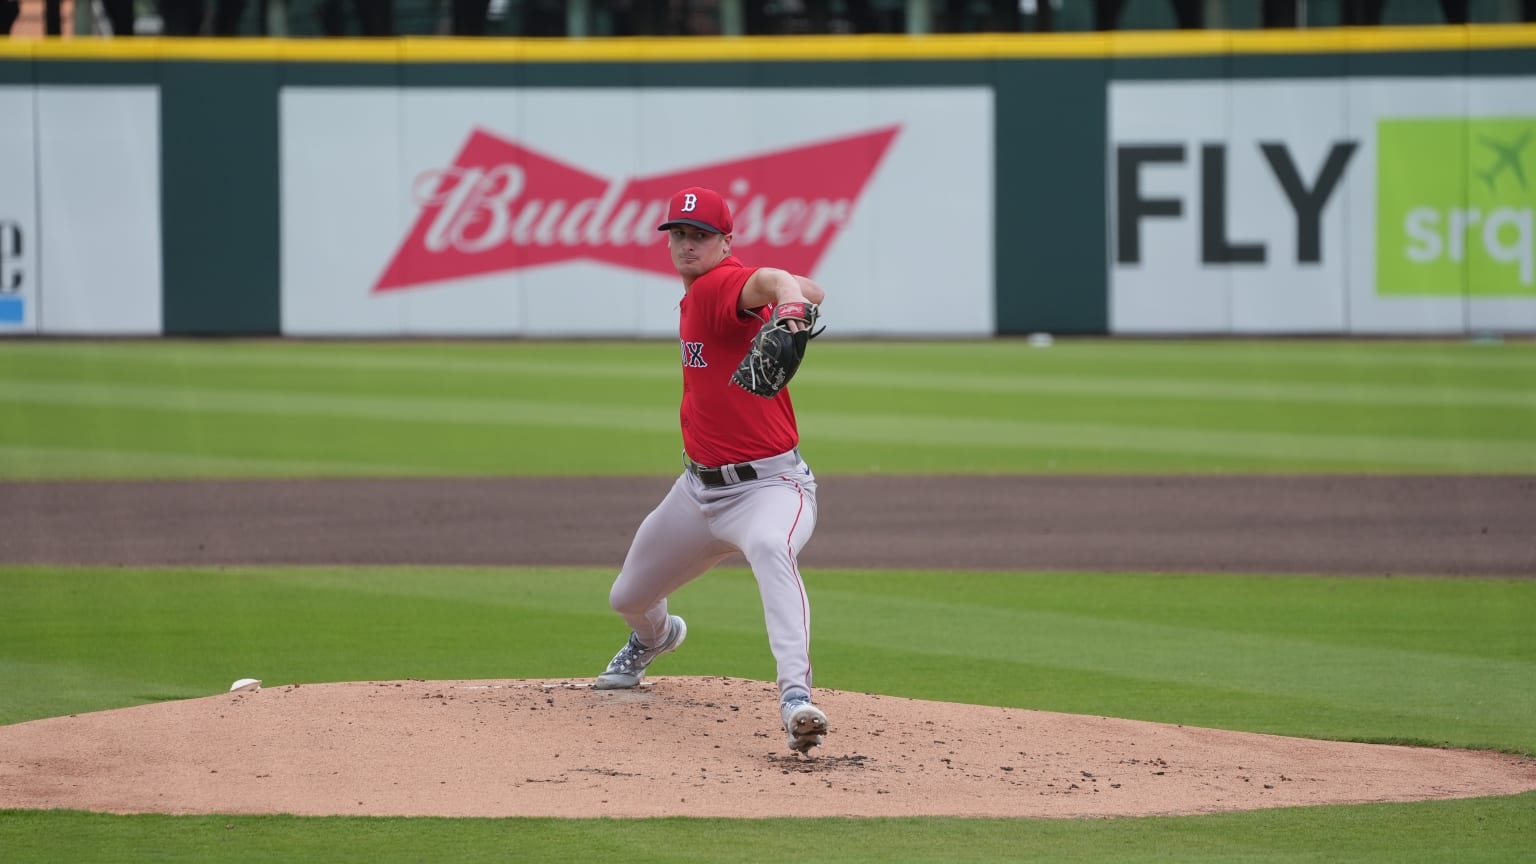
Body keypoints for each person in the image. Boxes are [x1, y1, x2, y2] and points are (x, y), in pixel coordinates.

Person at [593, 186, 831, 755]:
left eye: (700, 235)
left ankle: (796, 696)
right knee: (628, 598)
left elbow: (772, 281)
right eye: (678, 234)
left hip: (771, 488)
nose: (687, 244)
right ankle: (656, 638)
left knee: (770, 546)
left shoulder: (717, 286)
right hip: (698, 493)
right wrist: (795, 297)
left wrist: (786, 297)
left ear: (725, 242)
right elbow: (809, 288)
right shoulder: (704, 292)